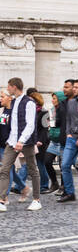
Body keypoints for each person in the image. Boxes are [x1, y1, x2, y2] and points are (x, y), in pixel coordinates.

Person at [0, 77, 41, 212]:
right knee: (4, 169)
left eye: (8, 86)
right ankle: (1, 199)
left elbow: (30, 124)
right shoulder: (14, 101)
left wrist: (21, 141)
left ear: (14, 87)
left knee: (32, 170)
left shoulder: (29, 103)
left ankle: (36, 199)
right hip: (11, 142)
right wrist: (12, 140)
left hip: (26, 142)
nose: (7, 89)